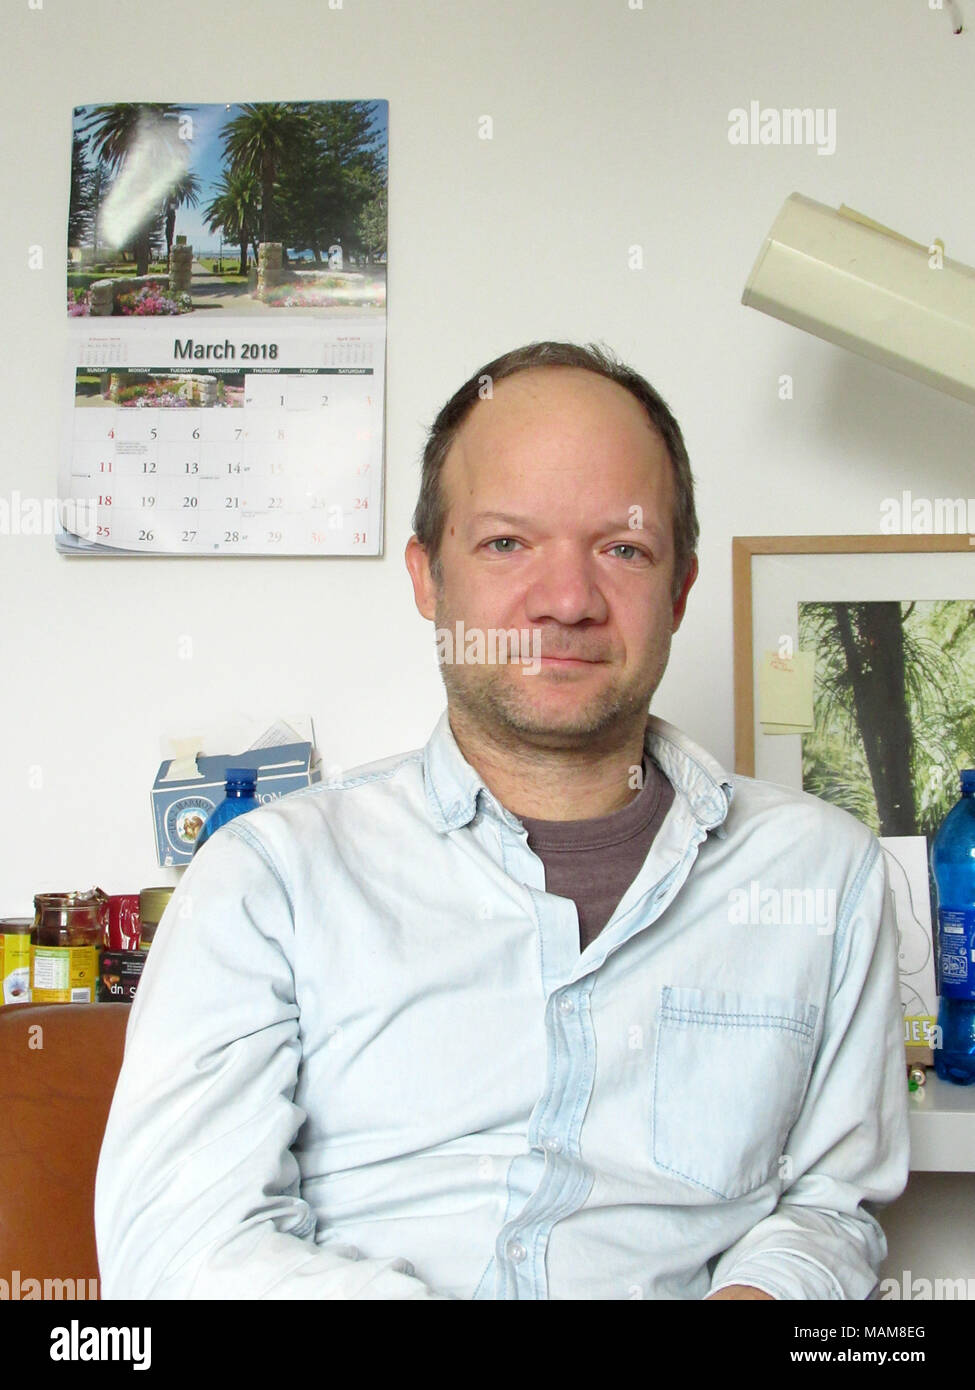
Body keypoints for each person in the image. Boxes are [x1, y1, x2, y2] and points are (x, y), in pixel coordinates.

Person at [95, 340, 909, 1300]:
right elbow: (181, 1252)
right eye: (507, 543)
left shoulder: (822, 878)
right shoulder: (264, 879)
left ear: (680, 588)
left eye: (622, 548)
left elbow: (826, 1207)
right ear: (427, 579)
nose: (567, 601)